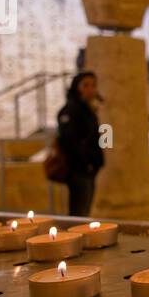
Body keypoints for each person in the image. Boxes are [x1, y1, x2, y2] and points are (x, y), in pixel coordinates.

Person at [57, 71, 104, 217]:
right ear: (77, 87)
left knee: (84, 211)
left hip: (88, 169)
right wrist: (86, 163)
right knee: (78, 214)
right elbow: (69, 142)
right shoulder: (71, 110)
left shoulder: (88, 110)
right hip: (78, 170)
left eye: (93, 85)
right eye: (86, 85)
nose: (91, 89)